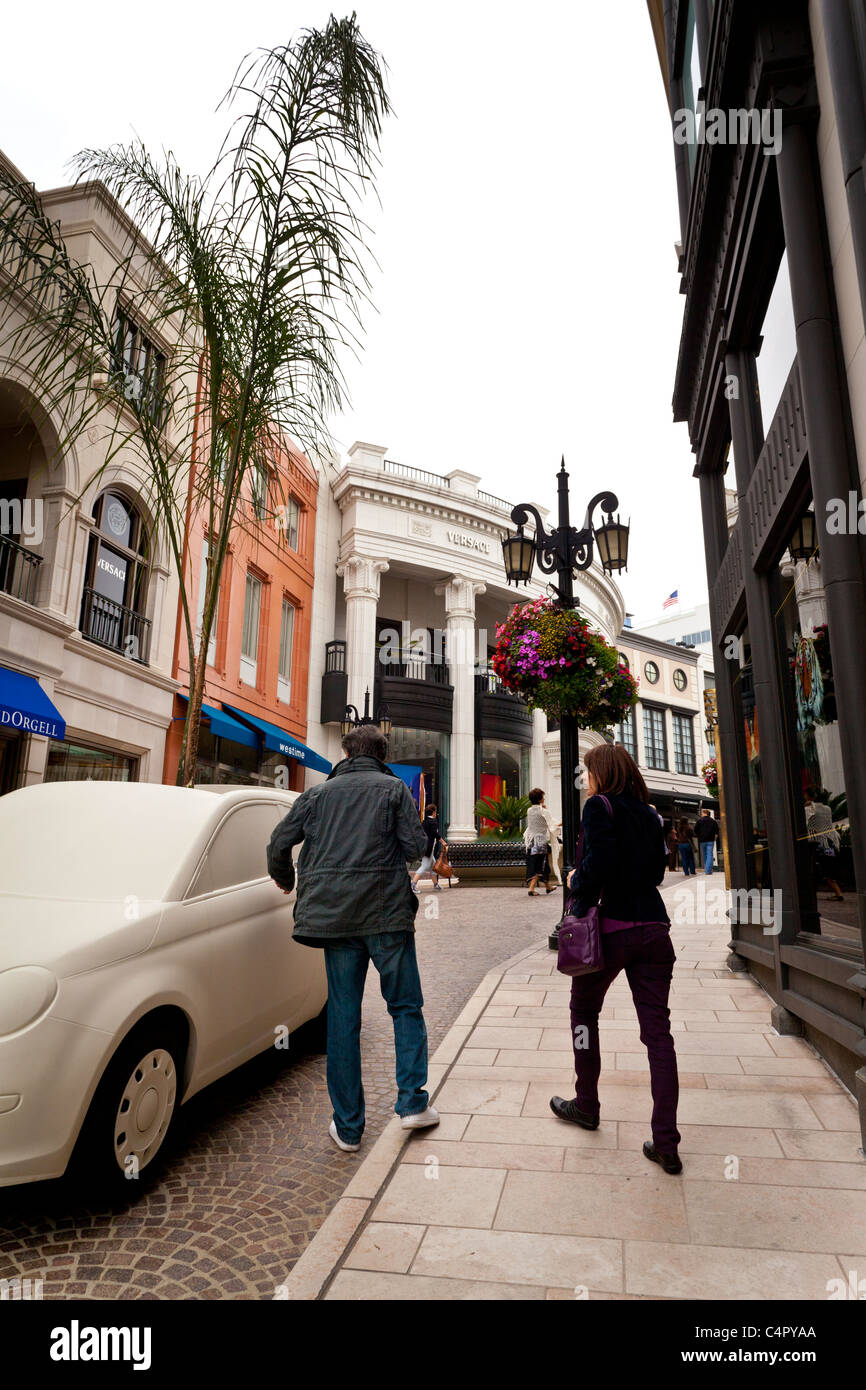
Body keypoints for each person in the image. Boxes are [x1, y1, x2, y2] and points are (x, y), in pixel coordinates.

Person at [266, 723, 440, 1153]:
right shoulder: (394, 789)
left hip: (336, 920)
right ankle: (412, 1103)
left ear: (345, 751)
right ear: (382, 755)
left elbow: (277, 844)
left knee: (343, 1018)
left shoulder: (316, 795)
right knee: (405, 1006)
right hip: (386, 916)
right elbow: (416, 848)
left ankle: (347, 1128)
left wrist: (286, 879)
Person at [549, 743, 682, 1174]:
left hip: (609, 932)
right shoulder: (649, 813)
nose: (586, 780)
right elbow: (659, 871)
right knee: (658, 1035)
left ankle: (586, 1103)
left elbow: (598, 863)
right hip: (653, 931)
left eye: (588, 772)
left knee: (583, 1014)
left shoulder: (598, 806)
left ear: (600, 773)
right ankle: (666, 1141)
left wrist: (575, 880)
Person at [804, 790, 844, 901]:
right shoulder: (827, 808)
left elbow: (806, 823)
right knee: (828, 867)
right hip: (830, 841)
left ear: (808, 797)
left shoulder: (808, 810)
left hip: (815, 843)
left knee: (820, 869)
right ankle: (837, 892)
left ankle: (838, 893)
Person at [524, 788, 558, 896]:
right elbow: (552, 824)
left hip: (531, 841)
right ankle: (531, 888)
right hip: (540, 841)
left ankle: (548, 887)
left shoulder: (529, 811)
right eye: (542, 797)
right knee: (540, 865)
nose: (544, 798)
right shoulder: (544, 812)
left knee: (541, 864)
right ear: (540, 800)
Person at [411, 803, 446, 892]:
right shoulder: (433, 822)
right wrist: (442, 842)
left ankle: (435, 885)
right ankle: (413, 885)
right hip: (429, 849)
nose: (436, 813)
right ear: (433, 812)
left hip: (424, 847)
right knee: (425, 866)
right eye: (435, 811)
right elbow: (435, 833)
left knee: (433, 866)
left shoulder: (424, 821)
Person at [695, 808, 720, 874]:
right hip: (710, 840)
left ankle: (707, 869)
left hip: (702, 840)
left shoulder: (699, 821)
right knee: (710, 854)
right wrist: (715, 838)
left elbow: (695, 830)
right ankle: (708, 870)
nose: (701, 814)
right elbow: (717, 831)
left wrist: (699, 835)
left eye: (702, 813)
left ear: (705, 813)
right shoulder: (713, 821)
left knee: (705, 854)